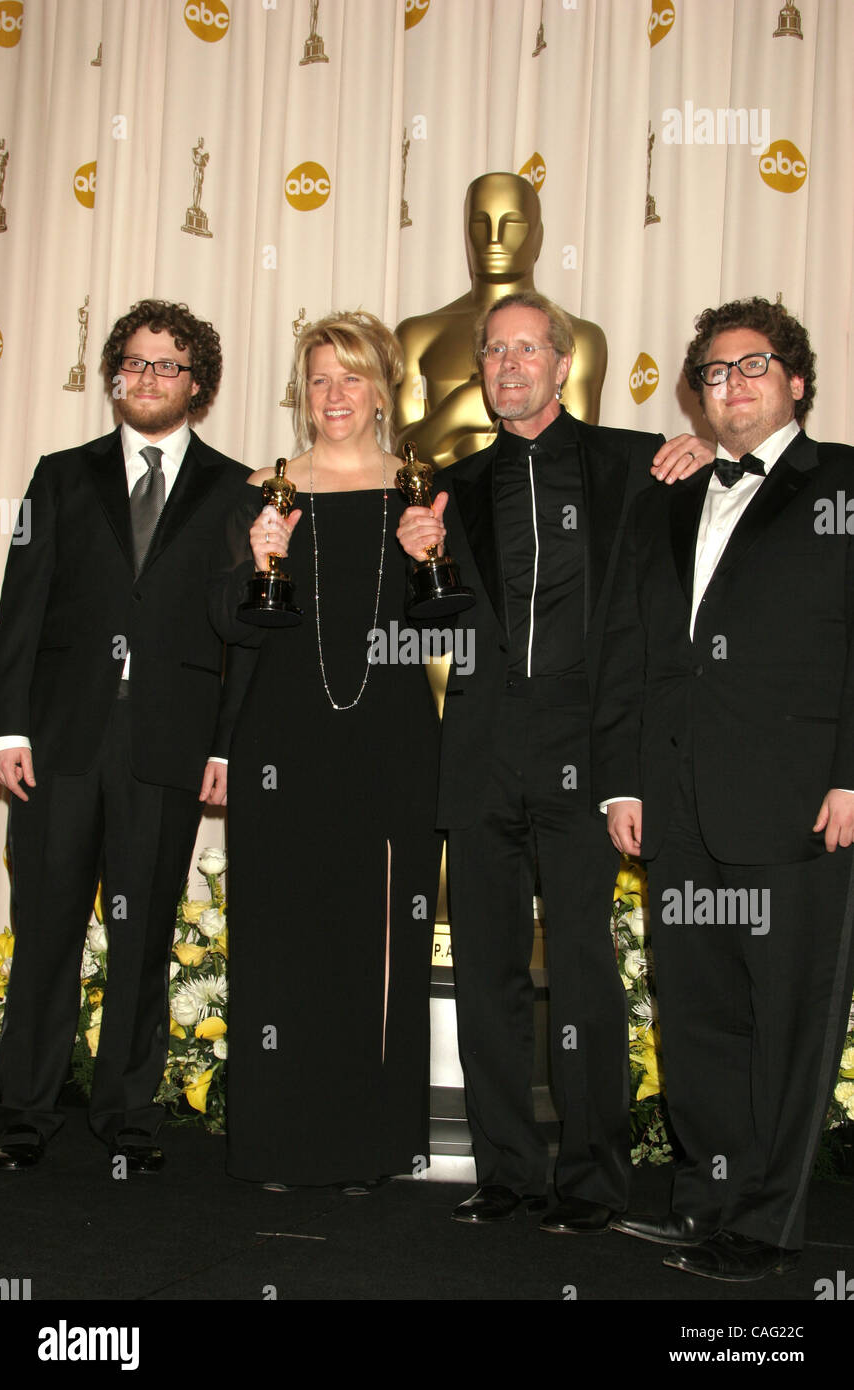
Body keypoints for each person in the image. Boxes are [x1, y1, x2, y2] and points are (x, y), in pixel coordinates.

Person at [396, 289, 713, 1229]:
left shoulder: (636, 464)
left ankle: (591, 1184)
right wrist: (423, 560)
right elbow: (433, 624)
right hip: (485, 745)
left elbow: (721, 529)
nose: (508, 366)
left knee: (581, 969)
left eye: (526, 350)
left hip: (592, 746)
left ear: (562, 363)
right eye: (494, 352)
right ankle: (506, 1174)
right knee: (490, 962)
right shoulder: (450, 482)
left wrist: (710, 456)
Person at [594, 297, 854, 1281]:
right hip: (677, 802)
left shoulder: (841, 482)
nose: (732, 384)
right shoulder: (668, 492)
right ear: (696, 393)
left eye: (752, 366)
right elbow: (638, 650)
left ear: (793, 379)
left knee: (785, 1022)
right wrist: (621, 779)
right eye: (713, 371)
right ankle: (702, 1203)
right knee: (695, 1014)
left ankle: (763, 1223)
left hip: (797, 809)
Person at [0, 300, 249, 1174]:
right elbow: (20, 605)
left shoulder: (241, 489)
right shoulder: (59, 476)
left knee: (143, 939)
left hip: (168, 745)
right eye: (132, 363)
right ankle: (21, 1114)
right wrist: (5, 728)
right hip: (60, 740)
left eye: (165, 366)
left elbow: (241, 635)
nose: (145, 378)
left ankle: (128, 1121)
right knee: (48, 932)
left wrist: (223, 745)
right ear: (113, 374)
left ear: (198, 385)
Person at [210, 311, 441, 1190]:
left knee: (375, 939)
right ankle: (276, 1144)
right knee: (282, 936)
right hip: (281, 737)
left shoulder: (420, 488)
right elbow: (227, 624)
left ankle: (370, 1147)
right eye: (319, 379)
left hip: (391, 736)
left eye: (352, 377)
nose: (334, 395)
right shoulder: (263, 490)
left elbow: (445, 618)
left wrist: (434, 553)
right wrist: (254, 561)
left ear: (382, 388)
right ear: (300, 393)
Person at [394, 172, 608, 466]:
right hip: (445, 504)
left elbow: (578, 451)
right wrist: (461, 407)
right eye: (481, 225)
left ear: (538, 236)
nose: (494, 240)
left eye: (512, 225)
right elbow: (404, 455)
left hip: (544, 505)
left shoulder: (581, 338)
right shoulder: (418, 335)